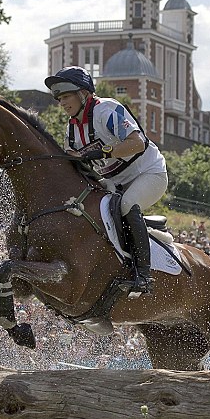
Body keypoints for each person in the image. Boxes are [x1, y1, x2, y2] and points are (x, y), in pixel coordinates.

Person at [44, 65, 168, 295]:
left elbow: (138, 143)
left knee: (126, 205)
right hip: (114, 181)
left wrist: (102, 152)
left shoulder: (107, 110)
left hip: (148, 173)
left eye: (66, 95)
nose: (62, 102)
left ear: (84, 93)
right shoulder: (71, 131)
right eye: (59, 98)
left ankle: (144, 275)